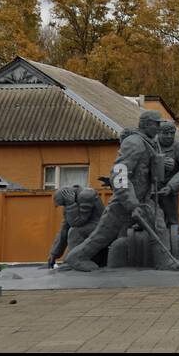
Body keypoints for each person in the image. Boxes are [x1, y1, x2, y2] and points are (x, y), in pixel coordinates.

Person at [61, 110, 163, 272]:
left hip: (142, 200)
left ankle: (165, 263)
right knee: (103, 235)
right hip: (125, 202)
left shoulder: (149, 143)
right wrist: (131, 203)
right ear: (147, 124)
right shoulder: (134, 143)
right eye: (157, 124)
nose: (159, 127)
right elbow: (119, 172)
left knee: (159, 226)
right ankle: (76, 257)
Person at [48, 186, 106, 269]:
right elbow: (64, 229)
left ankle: (74, 261)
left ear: (67, 196)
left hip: (101, 227)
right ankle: (70, 260)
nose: (64, 206)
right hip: (89, 228)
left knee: (75, 231)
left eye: (64, 203)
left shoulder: (86, 195)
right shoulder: (69, 202)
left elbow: (77, 222)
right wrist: (54, 253)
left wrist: (70, 205)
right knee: (73, 231)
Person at [156, 120, 179, 232]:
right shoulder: (149, 145)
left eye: (172, 133)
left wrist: (171, 186)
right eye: (165, 133)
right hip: (149, 191)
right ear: (158, 132)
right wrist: (159, 163)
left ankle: (175, 244)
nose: (169, 136)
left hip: (170, 191)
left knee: (173, 223)